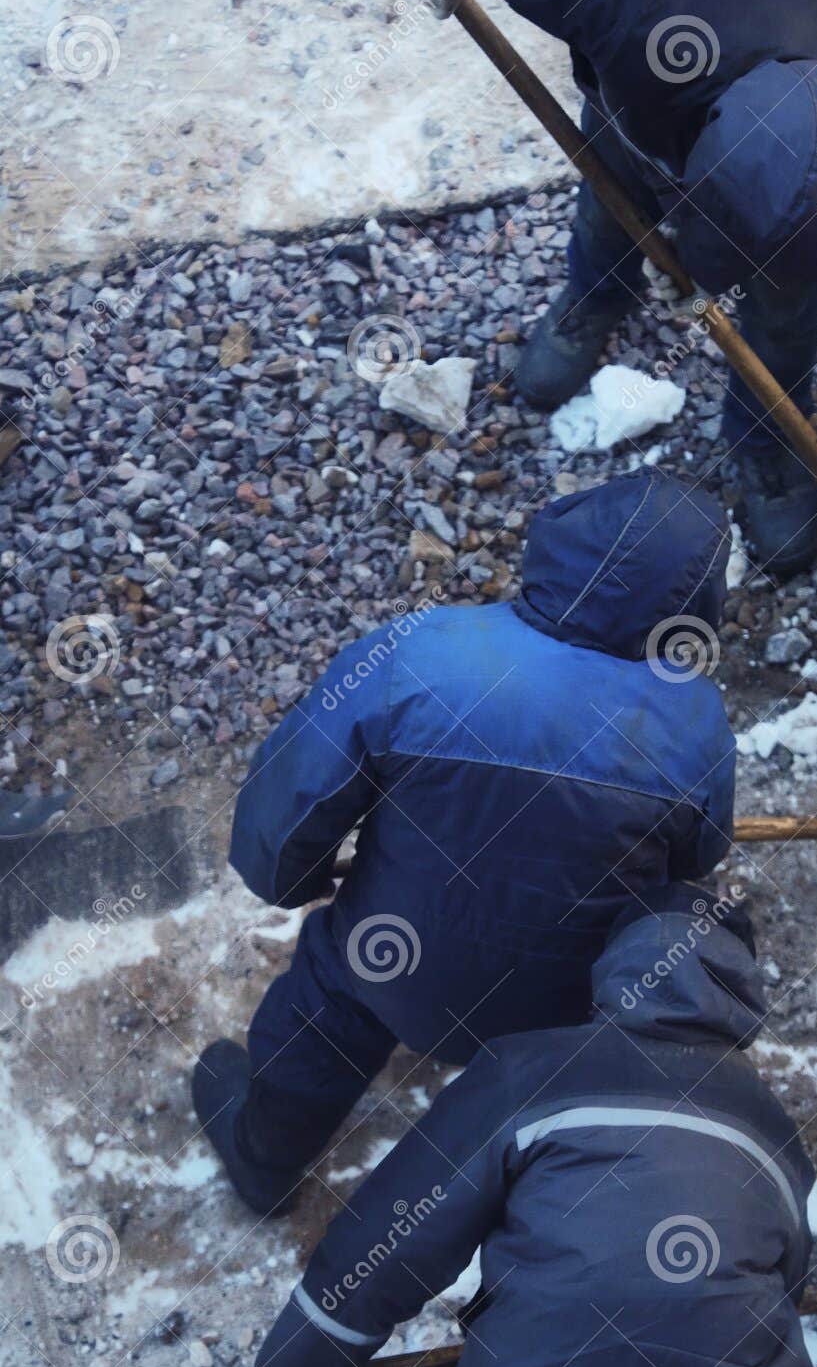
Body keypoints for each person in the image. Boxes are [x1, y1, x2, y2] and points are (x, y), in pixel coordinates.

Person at [254, 884, 817, 1367]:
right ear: (741, 987)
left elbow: (398, 1233)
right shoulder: (770, 1122)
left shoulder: (531, 1069)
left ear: (616, 964)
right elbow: (786, 1286)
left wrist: (303, 1359)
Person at [192, 472, 736, 1219]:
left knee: (329, 1000)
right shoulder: (697, 726)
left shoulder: (420, 652)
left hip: (390, 964)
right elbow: (696, 861)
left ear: (561, 542)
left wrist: (290, 880)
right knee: (543, 1061)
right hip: (557, 1010)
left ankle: (266, 1162)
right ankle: (512, 1193)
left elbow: (291, 800)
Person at [409, 0, 817, 578]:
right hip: (643, 82)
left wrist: (725, 267)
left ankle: (768, 435)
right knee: (613, 197)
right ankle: (597, 295)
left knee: (786, 293)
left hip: (776, 74)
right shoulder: (622, 10)